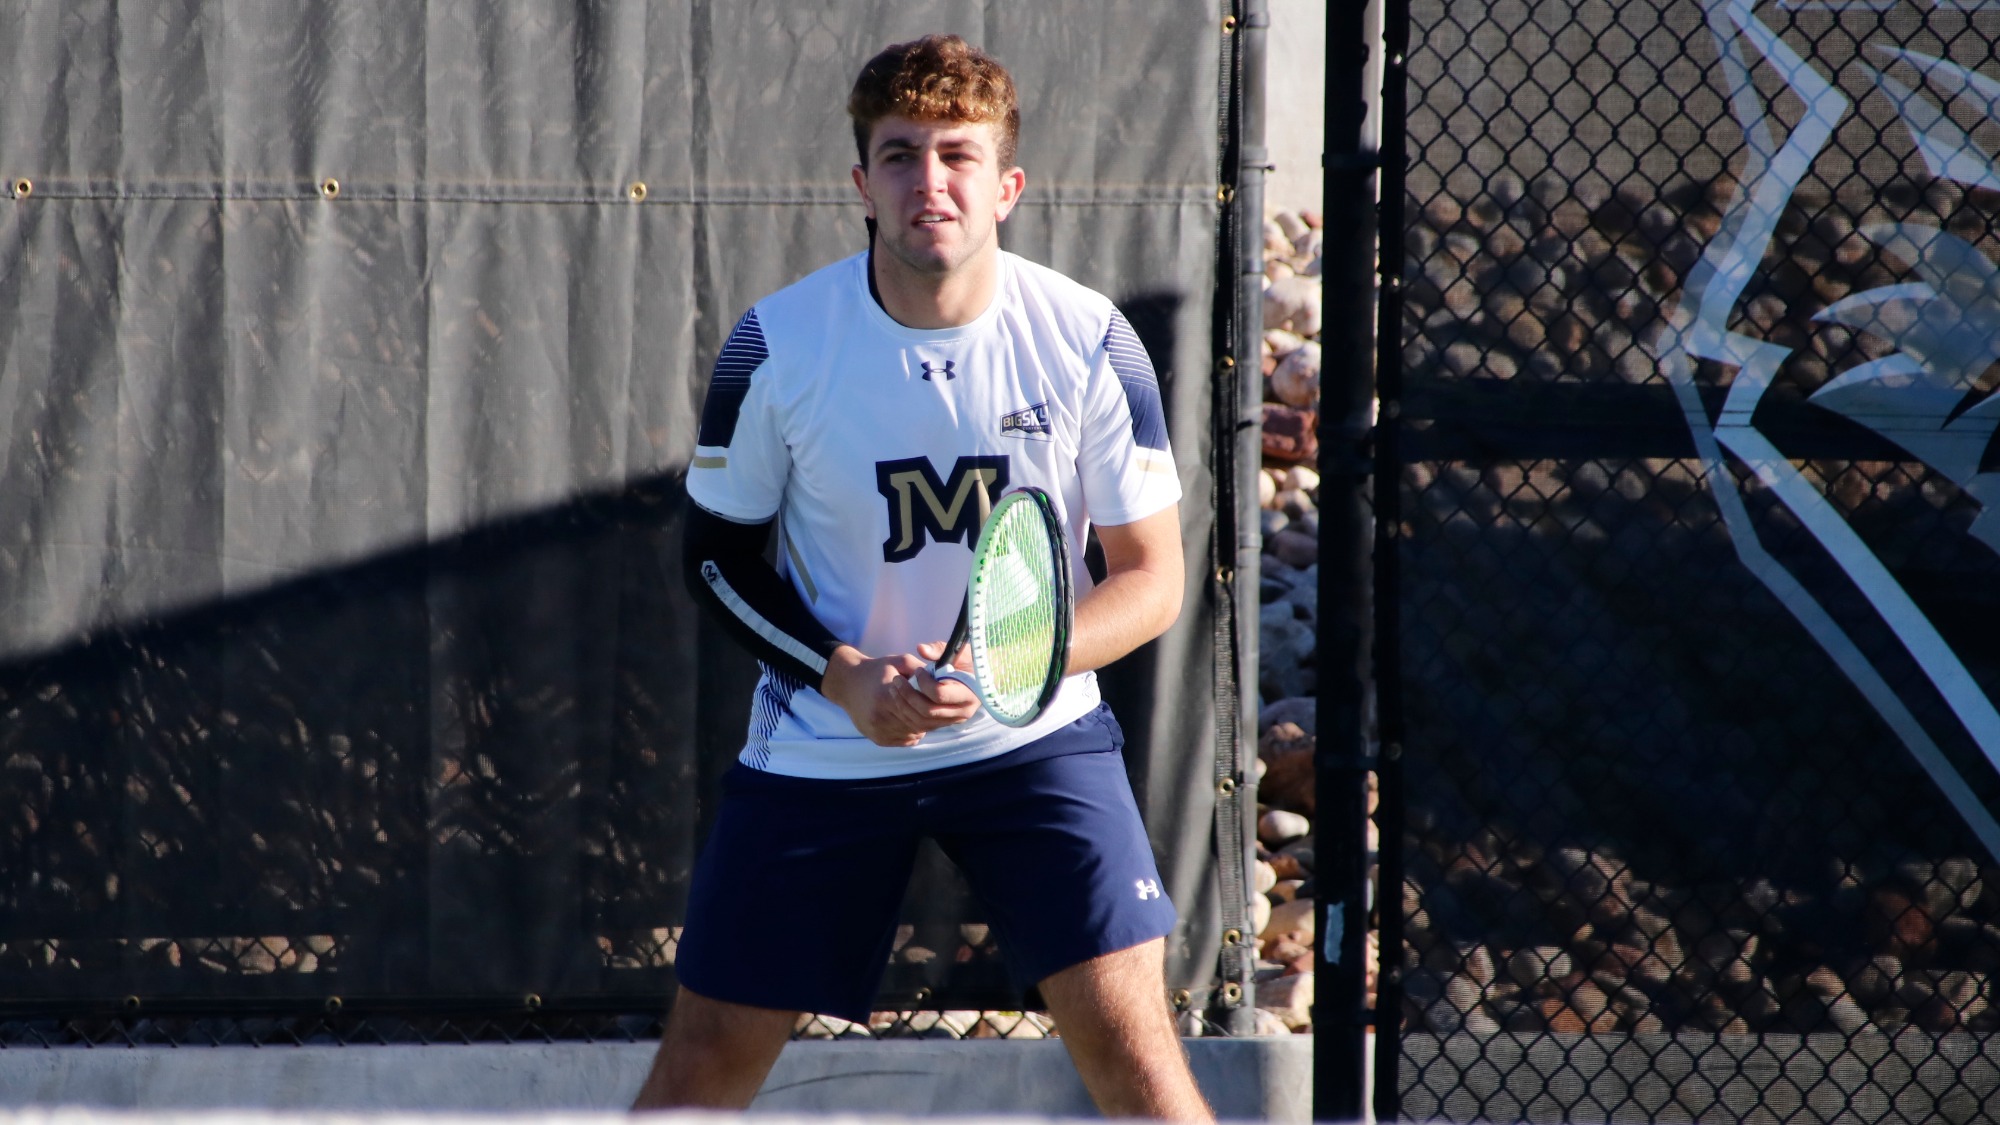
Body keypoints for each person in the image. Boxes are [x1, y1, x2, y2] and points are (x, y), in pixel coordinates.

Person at [631, 34, 1209, 1121]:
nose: (928, 182)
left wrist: (1015, 662)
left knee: (1136, 1057)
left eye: (957, 155)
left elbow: (1150, 579)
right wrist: (846, 677)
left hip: (1035, 742)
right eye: (899, 155)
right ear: (862, 184)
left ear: (1007, 188)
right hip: (824, 742)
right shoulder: (775, 345)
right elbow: (715, 559)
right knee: (701, 1069)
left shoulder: (1091, 340)